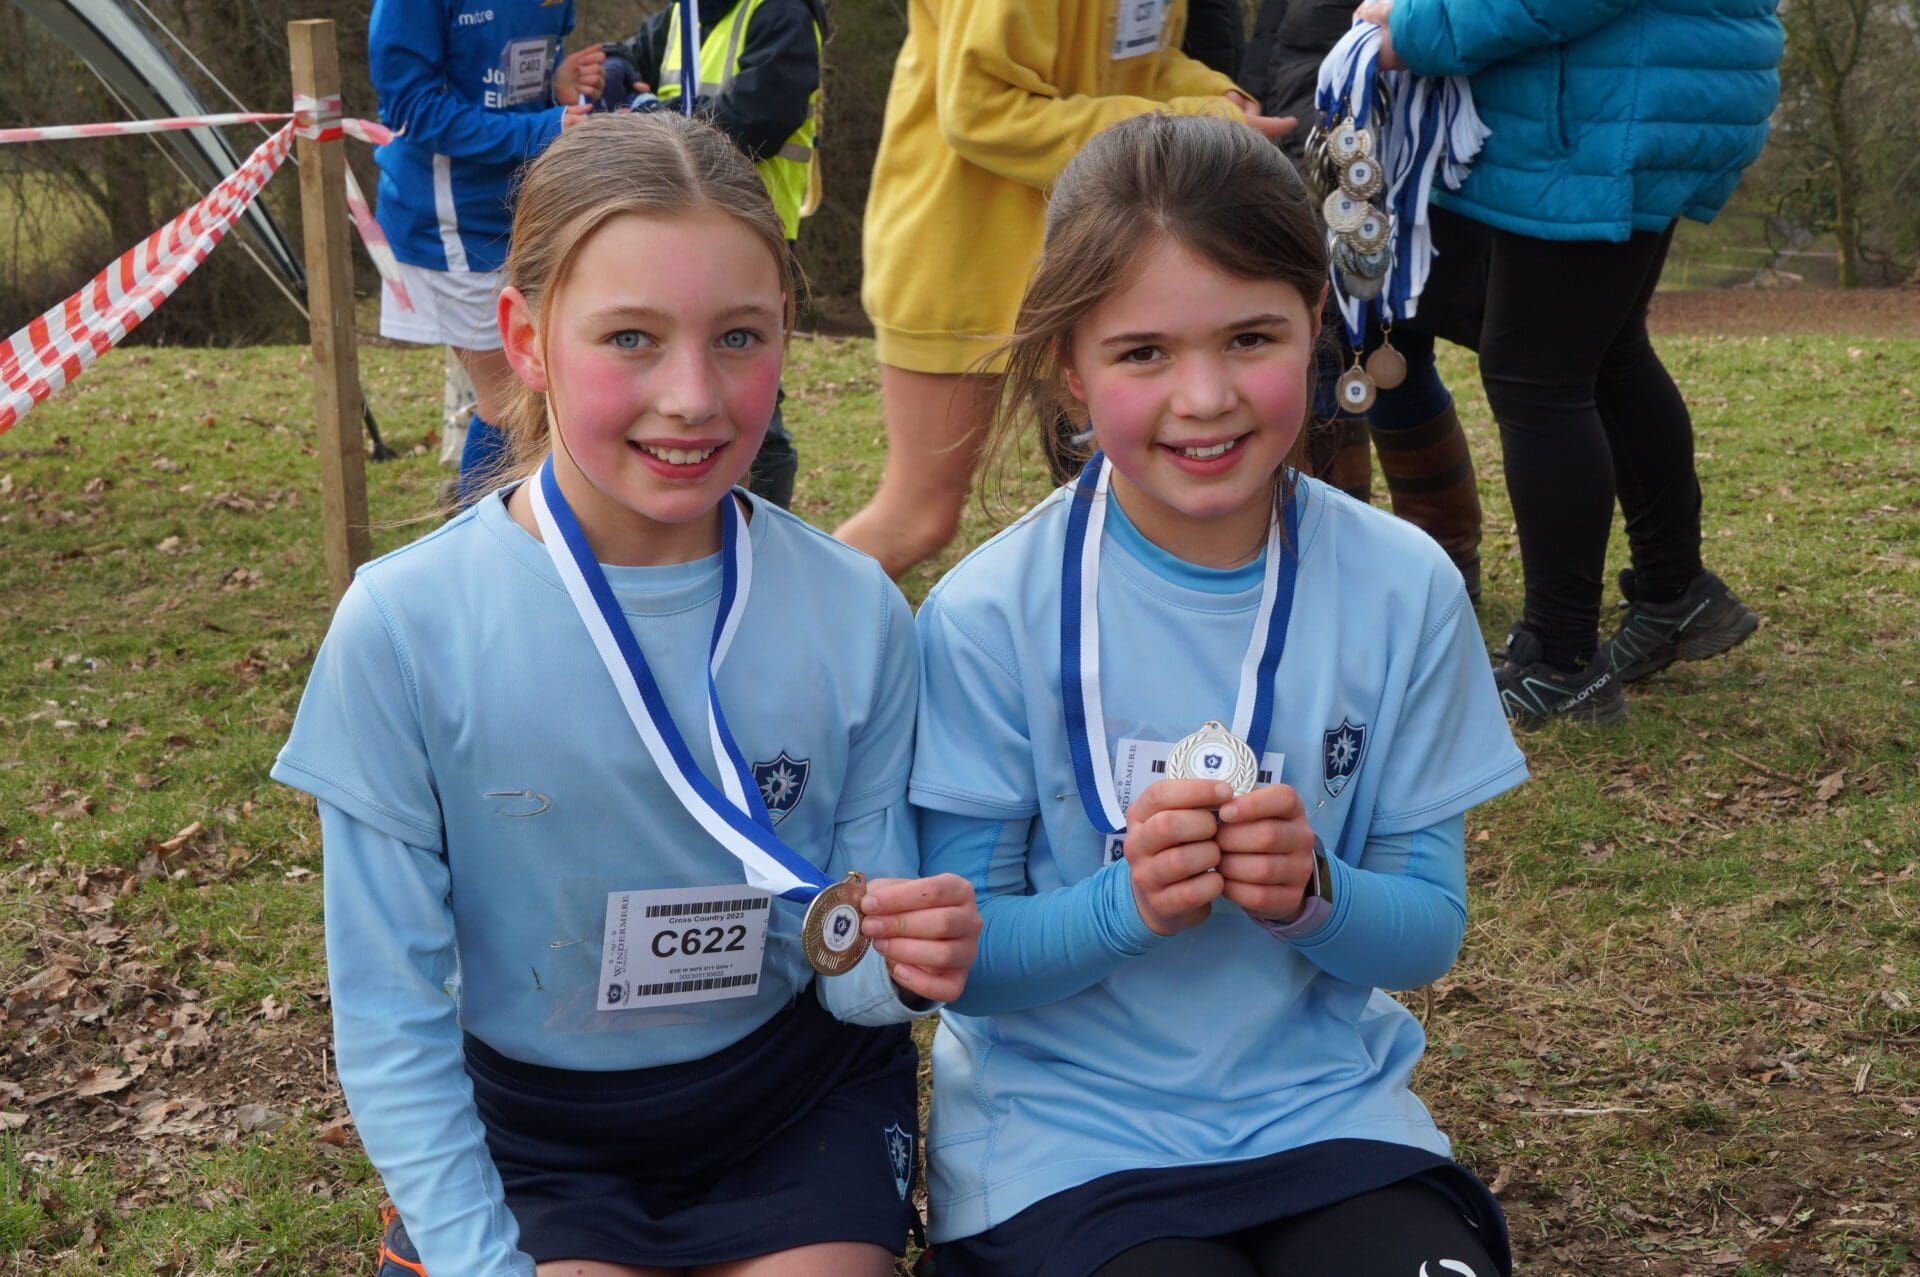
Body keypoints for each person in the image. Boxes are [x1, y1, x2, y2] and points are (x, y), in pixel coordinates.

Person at [276, 113, 982, 1277]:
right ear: (526, 338)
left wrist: (903, 955)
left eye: (740, 336)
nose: (694, 396)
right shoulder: (405, 628)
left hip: (790, 1100)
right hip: (534, 1135)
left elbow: (858, 986)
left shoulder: (856, 611)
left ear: (788, 339)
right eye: (632, 339)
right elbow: (391, 1016)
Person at [891, 113, 1528, 1277]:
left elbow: (1428, 928)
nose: (1205, 396)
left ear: (1317, 329)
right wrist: (1124, 904)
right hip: (1068, 1149)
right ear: (1069, 367)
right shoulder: (987, 616)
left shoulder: (1403, 585)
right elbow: (966, 961)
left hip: (1330, 1120)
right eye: (1143, 353)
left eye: (1249, 338)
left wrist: (1315, 892)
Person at [1360, 0, 1778, 724]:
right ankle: (1675, 591)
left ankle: (1560, 659)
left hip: (1605, 99)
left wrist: (1423, 29)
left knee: (1538, 375)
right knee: (1605, 351)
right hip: (1646, 84)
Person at [837, 0, 1297, 579]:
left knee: (1132, 506)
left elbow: (1143, 65)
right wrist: (1188, 115)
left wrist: (1215, 98)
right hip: (959, 261)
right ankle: (773, 655)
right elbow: (980, 109)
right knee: (919, 516)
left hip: (1087, 270)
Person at [1241, 0, 1491, 600]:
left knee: (1361, 344)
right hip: (1303, 104)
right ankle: (1343, 560)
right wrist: (1246, 85)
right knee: (1340, 346)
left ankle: (1410, 561)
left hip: (1366, 108)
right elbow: (1276, 25)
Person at [367, 0, 605, 507]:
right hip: (448, 221)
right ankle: (476, 555)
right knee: (514, 401)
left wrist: (556, 84)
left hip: (529, 207)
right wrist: (540, 129)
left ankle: (532, 539)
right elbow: (411, 108)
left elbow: (512, 75)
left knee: (546, 397)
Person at [598, 0, 829, 511]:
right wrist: (615, 71)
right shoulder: (683, 17)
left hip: (754, 237)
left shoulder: (781, 14)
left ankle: (763, 530)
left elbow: (757, 115)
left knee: (750, 401)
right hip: (671, 234)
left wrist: (649, 119)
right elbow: (627, 52)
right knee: (678, 379)